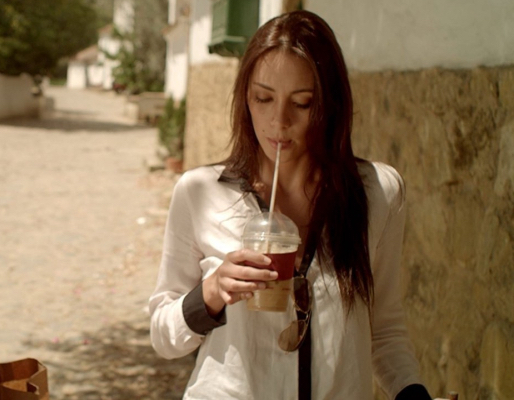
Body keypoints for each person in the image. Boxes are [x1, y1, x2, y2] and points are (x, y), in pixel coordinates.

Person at [148, 11, 432, 400]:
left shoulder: (377, 192)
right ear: (245, 97)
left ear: (330, 105)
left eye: (301, 103)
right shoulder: (200, 192)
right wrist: (212, 292)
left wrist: (411, 392)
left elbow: (382, 329)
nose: (278, 121)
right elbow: (164, 336)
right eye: (263, 98)